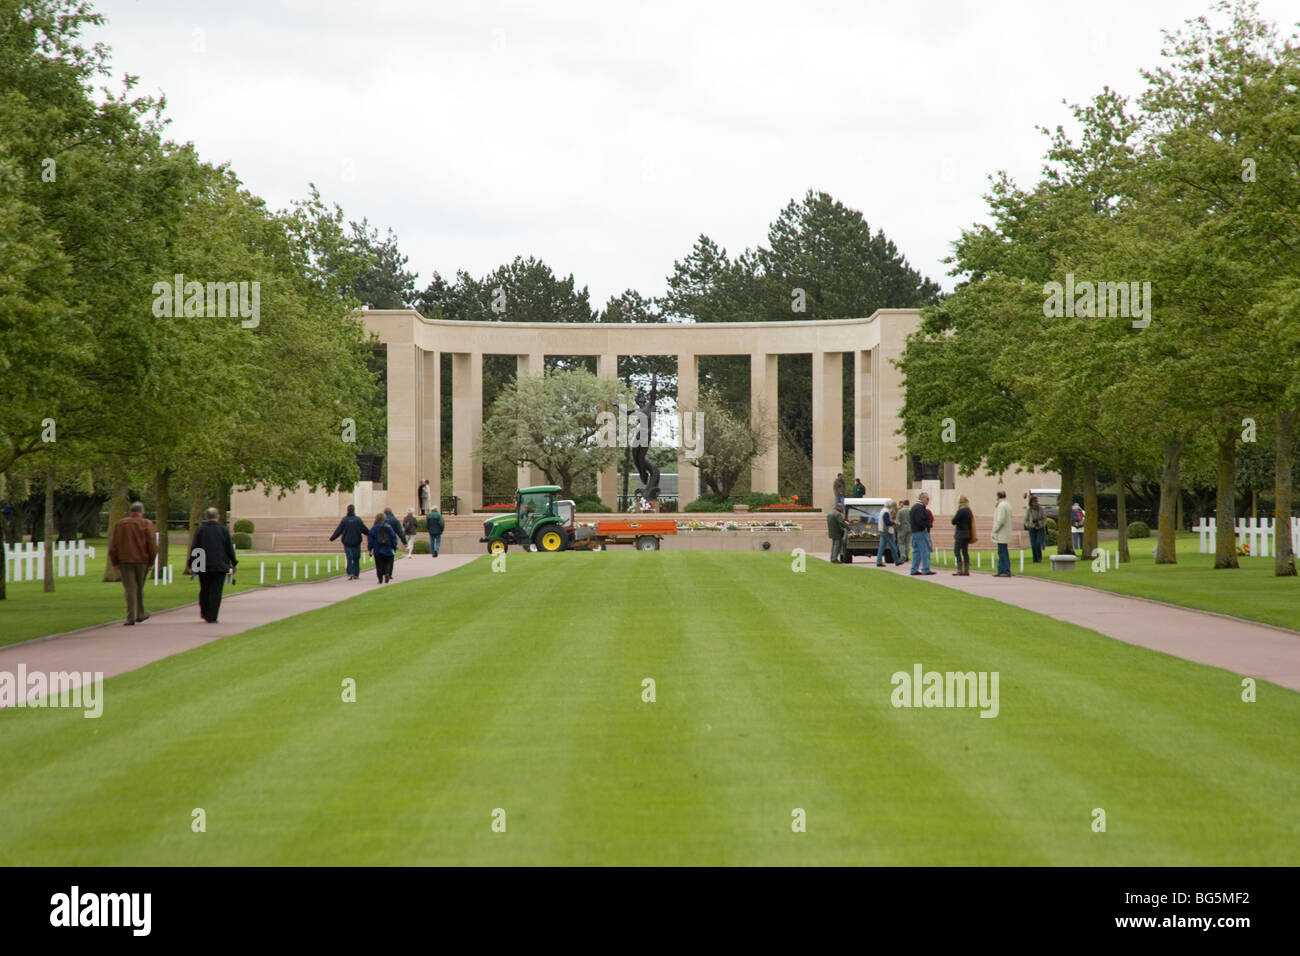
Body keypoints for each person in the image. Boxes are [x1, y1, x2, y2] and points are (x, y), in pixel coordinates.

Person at [107, 501, 158, 626]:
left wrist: (114, 562)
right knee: (139, 587)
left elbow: (114, 545)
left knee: (130, 588)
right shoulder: (147, 524)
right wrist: (151, 561)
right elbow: (152, 545)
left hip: (125, 560)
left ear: (131, 512)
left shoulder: (120, 524)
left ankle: (134, 615)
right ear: (142, 513)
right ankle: (138, 614)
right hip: (142, 560)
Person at [187, 507, 238, 623]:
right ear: (218, 516)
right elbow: (229, 548)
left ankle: (205, 612)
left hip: (203, 565)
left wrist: (192, 565)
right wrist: (234, 563)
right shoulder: (224, 530)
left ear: (206, 517)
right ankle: (212, 615)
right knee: (216, 591)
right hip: (219, 564)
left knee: (204, 589)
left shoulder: (200, 530)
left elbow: (195, 548)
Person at [329, 504, 368, 579]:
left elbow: (339, 530)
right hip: (356, 542)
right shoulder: (358, 520)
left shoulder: (345, 520)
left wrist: (332, 538)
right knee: (356, 558)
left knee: (349, 558)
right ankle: (356, 574)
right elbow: (364, 529)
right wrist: (371, 534)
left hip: (347, 542)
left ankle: (350, 573)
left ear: (347, 510)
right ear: (354, 510)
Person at [909, 493, 935, 575]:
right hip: (921, 532)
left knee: (916, 551)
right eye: (927, 499)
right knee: (925, 550)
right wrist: (926, 526)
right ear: (922, 498)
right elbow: (920, 520)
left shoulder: (914, 507)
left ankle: (914, 569)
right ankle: (925, 569)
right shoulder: (920, 508)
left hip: (915, 532)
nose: (928, 501)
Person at [368, 512, 398, 583]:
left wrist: (370, 548)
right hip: (388, 548)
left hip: (377, 549)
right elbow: (393, 537)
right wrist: (394, 546)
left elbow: (370, 540)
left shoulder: (374, 528)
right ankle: (387, 573)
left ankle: (380, 578)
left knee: (379, 564)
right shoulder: (388, 527)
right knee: (387, 563)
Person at [951, 495, 974, 576]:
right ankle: (966, 570)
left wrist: (958, 522)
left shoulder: (960, 510)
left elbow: (953, 521)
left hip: (960, 533)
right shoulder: (969, 510)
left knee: (956, 550)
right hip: (967, 533)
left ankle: (959, 569)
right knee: (965, 551)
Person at [992, 490, 1013, 577]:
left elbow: (1000, 520)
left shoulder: (1001, 506)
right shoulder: (1007, 504)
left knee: (1002, 552)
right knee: (1003, 551)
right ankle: (1001, 570)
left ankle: (1005, 571)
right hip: (1006, 532)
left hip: (1002, 532)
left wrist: (995, 529)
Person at [383, 507, 407, 574]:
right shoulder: (395, 520)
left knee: (382, 558)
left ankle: (383, 572)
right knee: (390, 558)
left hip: (381, 541)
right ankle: (389, 573)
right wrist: (404, 541)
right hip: (391, 541)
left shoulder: (381, 520)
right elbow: (400, 532)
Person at [1024, 495, 1047, 563]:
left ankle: (1039, 558)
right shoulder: (1029, 510)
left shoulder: (1041, 509)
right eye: (1033, 502)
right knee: (1033, 545)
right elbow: (1026, 521)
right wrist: (1030, 525)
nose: (1035, 503)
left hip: (1040, 528)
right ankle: (1035, 558)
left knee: (1038, 543)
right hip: (1032, 529)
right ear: (1031, 503)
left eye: (1036, 501)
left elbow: (1044, 519)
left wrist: (1039, 523)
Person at [876, 500, 899, 566]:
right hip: (886, 531)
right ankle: (897, 560)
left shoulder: (882, 510)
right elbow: (887, 522)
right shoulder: (886, 511)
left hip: (882, 530)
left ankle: (879, 561)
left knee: (882, 546)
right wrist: (894, 523)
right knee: (892, 546)